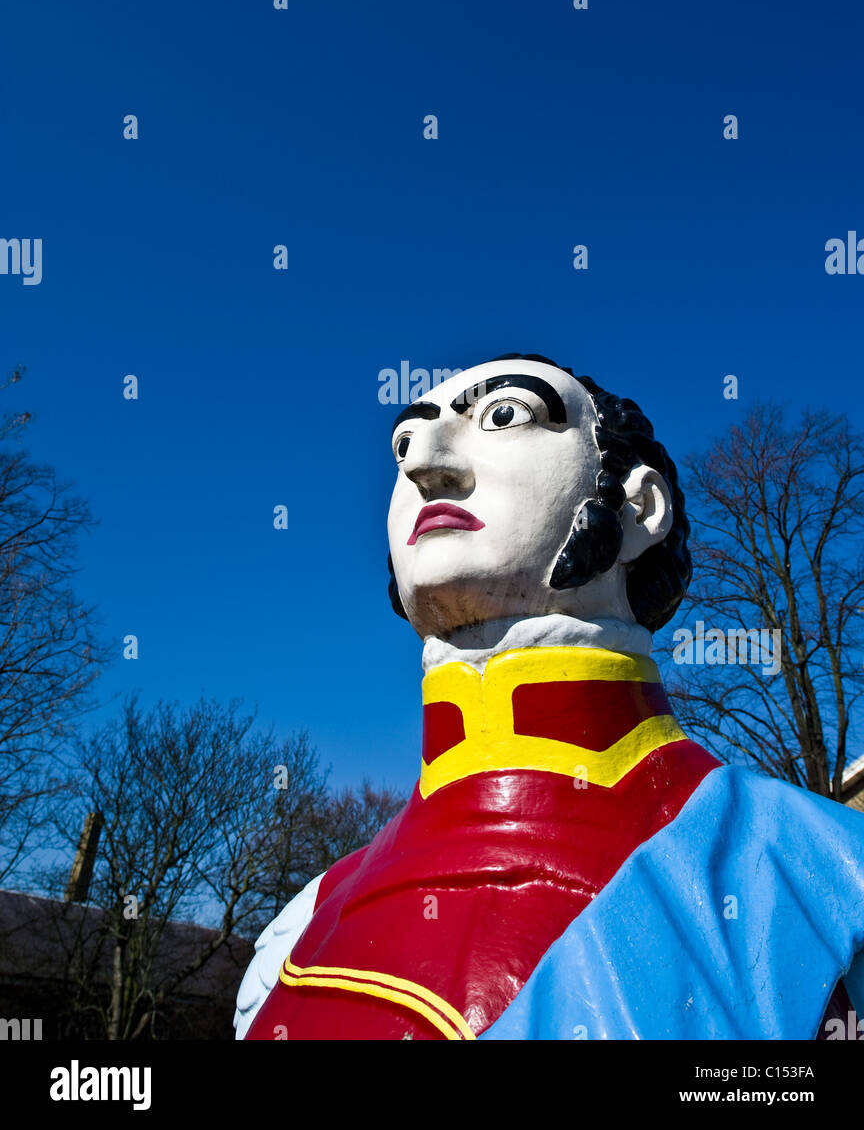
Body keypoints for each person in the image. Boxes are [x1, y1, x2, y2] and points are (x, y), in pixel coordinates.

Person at [235, 354, 864, 1040]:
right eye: (403, 446)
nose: (424, 464)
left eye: (505, 415)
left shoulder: (828, 879)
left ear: (639, 507)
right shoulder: (292, 938)